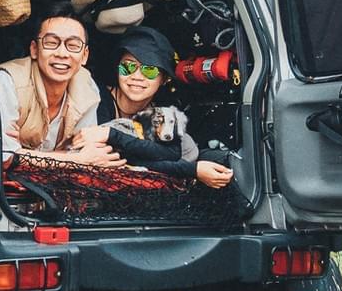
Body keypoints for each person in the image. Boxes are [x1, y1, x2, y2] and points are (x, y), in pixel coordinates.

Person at [73, 26, 234, 189]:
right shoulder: (96, 98)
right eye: (128, 67)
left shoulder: (162, 111)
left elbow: (170, 153)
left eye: (149, 70)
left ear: (164, 79)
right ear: (117, 70)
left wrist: (110, 134)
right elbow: (123, 160)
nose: (136, 76)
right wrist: (193, 170)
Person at [0, 4, 119, 166]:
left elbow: (86, 152)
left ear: (84, 56)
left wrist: (24, 153)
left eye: (73, 45)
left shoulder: (86, 86)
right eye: (51, 43)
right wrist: (74, 159)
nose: (62, 54)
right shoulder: (8, 81)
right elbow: (3, 158)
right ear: (34, 49)